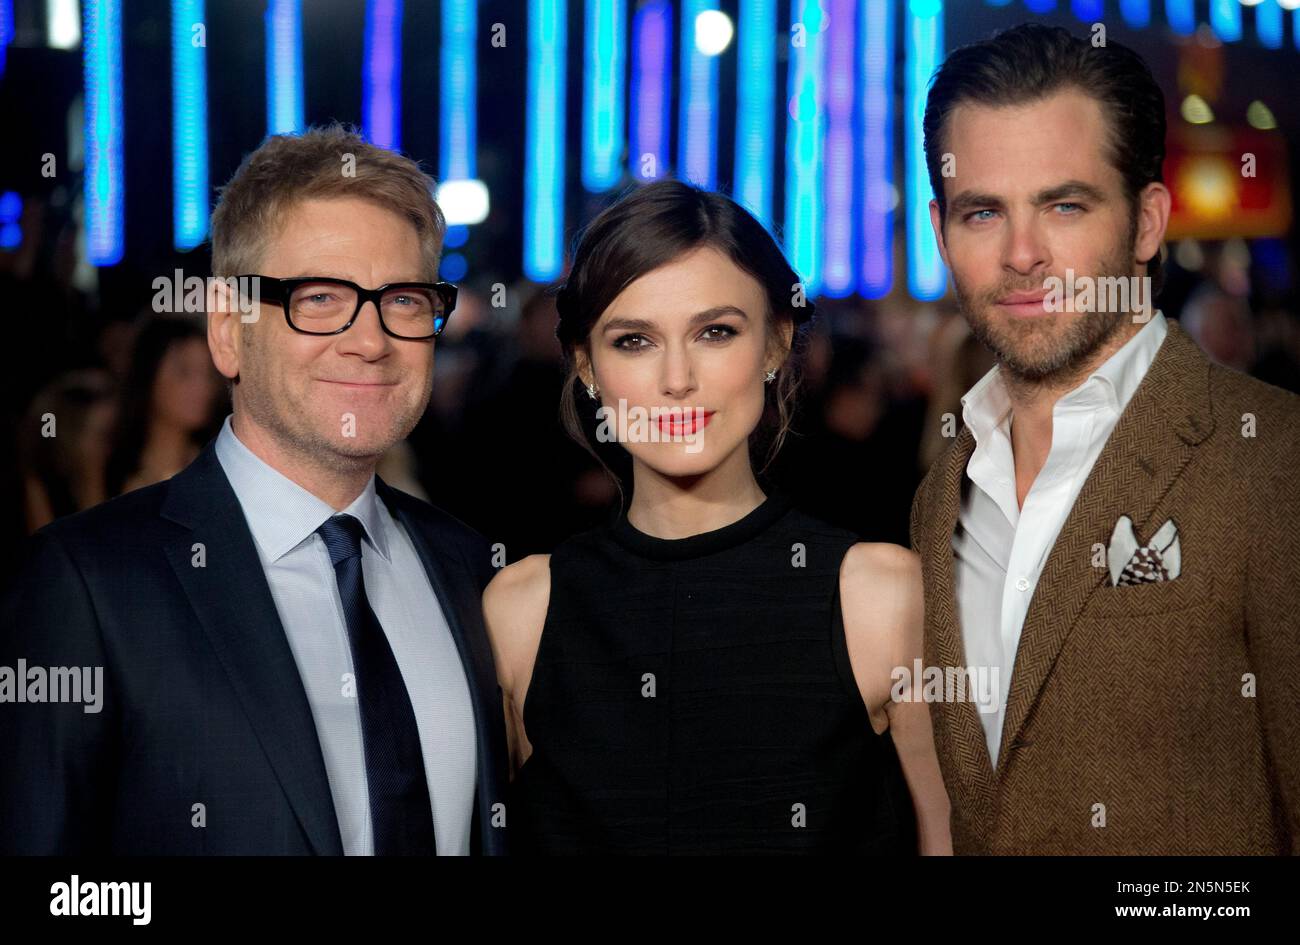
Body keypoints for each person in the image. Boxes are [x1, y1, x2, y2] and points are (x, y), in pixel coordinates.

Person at [0, 124, 508, 855]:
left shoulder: (470, 571)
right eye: (322, 297)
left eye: (402, 299)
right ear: (227, 331)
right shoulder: (87, 585)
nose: (370, 340)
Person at [912, 24, 1300, 854]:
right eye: (984, 211)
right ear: (942, 233)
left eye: (1064, 205)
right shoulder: (945, 487)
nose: (1021, 255)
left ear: (1148, 221)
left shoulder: (1275, 458)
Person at [483, 180, 951, 854]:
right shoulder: (523, 609)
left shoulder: (878, 593)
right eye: (634, 341)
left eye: (715, 331)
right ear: (586, 366)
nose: (678, 377)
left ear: (774, 344)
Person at [105, 314, 223, 495]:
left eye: (208, 373)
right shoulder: (106, 464)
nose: (202, 386)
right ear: (149, 373)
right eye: (184, 371)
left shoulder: (219, 463)